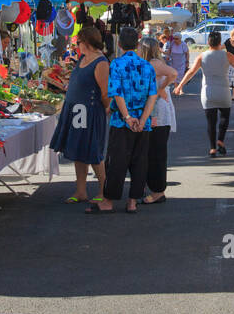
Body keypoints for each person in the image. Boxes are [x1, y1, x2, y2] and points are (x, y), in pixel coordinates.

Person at [92, 26, 156, 214]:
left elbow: (116, 94)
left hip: (122, 121)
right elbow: (152, 95)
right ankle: (133, 201)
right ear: (137, 44)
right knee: (140, 162)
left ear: (119, 44)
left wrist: (127, 117)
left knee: (116, 162)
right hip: (143, 122)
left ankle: (108, 201)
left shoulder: (117, 64)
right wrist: (143, 119)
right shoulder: (147, 66)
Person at [174, 29, 234, 157]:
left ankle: (212, 148)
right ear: (220, 42)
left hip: (208, 92)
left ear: (208, 42)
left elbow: (191, 72)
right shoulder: (228, 55)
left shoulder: (202, 56)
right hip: (224, 91)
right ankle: (220, 140)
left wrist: (180, 86)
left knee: (211, 122)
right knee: (225, 118)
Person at [48, 25, 109, 205]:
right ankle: (81, 191)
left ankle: (103, 190)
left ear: (88, 41)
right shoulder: (83, 58)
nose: (77, 45)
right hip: (75, 112)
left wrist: (107, 109)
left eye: (79, 41)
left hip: (90, 112)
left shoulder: (101, 62)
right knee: (78, 151)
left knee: (93, 152)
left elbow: (105, 92)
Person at [138, 36, 178, 204]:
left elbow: (173, 74)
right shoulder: (152, 62)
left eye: (140, 48)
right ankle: (155, 188)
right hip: (155, 110)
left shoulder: (153, 63)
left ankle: (158, 191)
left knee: (156, 153)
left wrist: (161, 88)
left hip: (158, 112)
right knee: (152, 151)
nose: (137, 50)